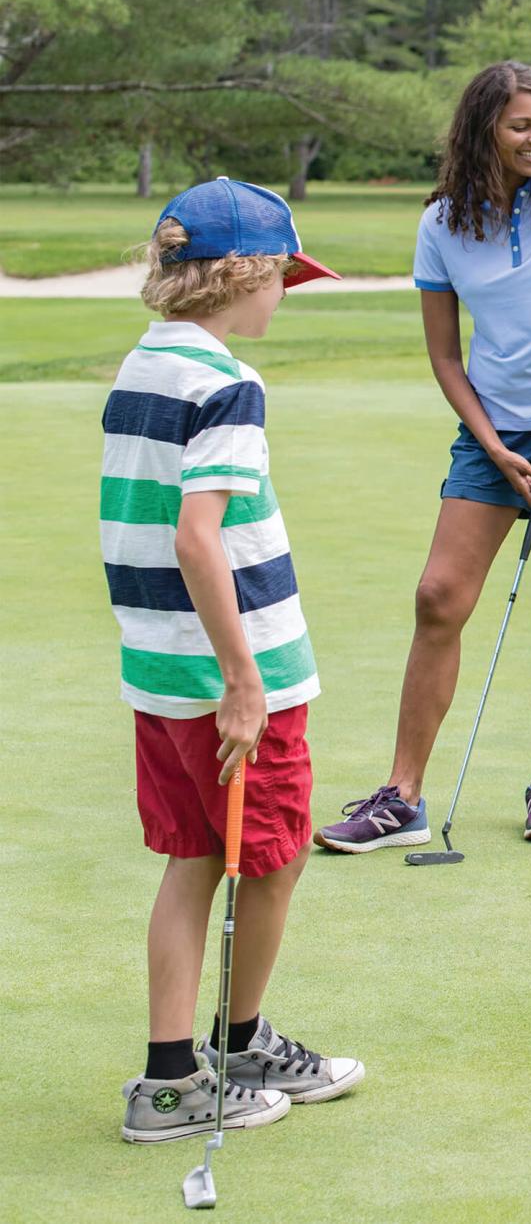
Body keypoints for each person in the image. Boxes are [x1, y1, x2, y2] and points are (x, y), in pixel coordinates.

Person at [317, 61, 531, 853]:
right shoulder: (441, 225)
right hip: (490, 432)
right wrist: (493, 446)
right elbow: (446, 357)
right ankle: (402, 796)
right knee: (439, 596)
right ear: (482, 129)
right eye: (521, 125)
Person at [108, 179, 366, 1142]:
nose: (285, 295)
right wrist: (245, 681)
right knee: (273, 854)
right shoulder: (228, 381)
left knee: (193, 859)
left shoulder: (144, 362)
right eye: (283, 277)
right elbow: (196, 538)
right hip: (231, 671)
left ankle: (170, 1076)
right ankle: (237, 1045)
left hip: (158, 669)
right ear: (240, 274)